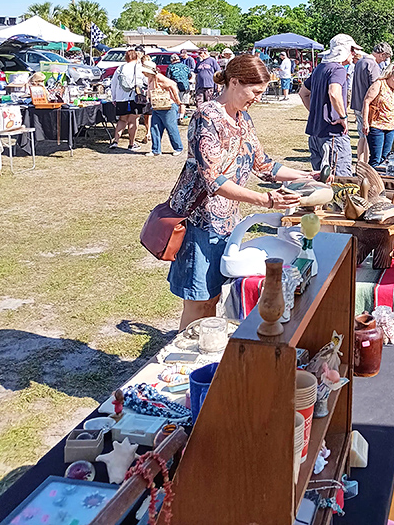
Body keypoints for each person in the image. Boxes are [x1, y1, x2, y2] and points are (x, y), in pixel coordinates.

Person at [167, 55, 316, 328]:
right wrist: (265, 199)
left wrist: (305, 175)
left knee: (214, 298)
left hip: (227, 223)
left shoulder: (242, 118)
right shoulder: (206, 116)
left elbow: (262, 163)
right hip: (199, 223)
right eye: (255, 91)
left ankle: (206, 350)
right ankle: (185, 358)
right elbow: (214, 180)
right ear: (234, 82)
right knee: (199, 301)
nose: (258, 98)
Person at [299, 41, 352, 175]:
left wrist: (316, 113)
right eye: (352, 50)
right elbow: (334, 92)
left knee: (320, 181)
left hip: (316, 134)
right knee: (340, 181)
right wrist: (343, 117)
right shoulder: (338, 69)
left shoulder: (320, 68)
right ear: (344, 51)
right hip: (332, 134)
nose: (354, 54)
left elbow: (303, 93)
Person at [351, 42, 389, 163]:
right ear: (381, 54)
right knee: (368, 138)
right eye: (385, 57)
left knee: (362, 136)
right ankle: (365, 164)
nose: (384, 60)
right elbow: (376, 86)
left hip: (357, 103)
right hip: (367, 106)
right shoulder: (372, 64)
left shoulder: (361, 61)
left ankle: (360, 161)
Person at [361, 65, 394, 166]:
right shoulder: (379, 84)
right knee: (376, 157)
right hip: (376, 125)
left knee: (386, 157)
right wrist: (365, 122)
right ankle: (370, 177)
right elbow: (366, 102)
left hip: (390, 127)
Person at [141, 60, 184, 157]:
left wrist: (177, 101)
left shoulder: (159, 77)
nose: (142, 73)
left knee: (171, 127)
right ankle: (156, 149)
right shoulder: (150, 78)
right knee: (154, 127)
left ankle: (178, 148)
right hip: (157, 106)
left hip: (168, 106)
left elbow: (172, 85)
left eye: (144, 71)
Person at [109, 49, 145, 150]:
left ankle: (115, 141)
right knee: (133, 120)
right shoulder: (139, 67)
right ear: (136, 56)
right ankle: (131, 143)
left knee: (122, 120)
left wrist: (114, 97)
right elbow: (145, 81)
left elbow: (114, 83)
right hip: (135, 97)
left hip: (121, 98)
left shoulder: (120, 68)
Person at [168, 54, 192, 121]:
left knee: (176, 102)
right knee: (183, 103)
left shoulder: (171, 67)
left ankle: (176, 117)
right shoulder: (185, 66)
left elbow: (168, 78)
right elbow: (190, 76)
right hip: (186, 86)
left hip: (176, 87)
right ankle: (181, 117)